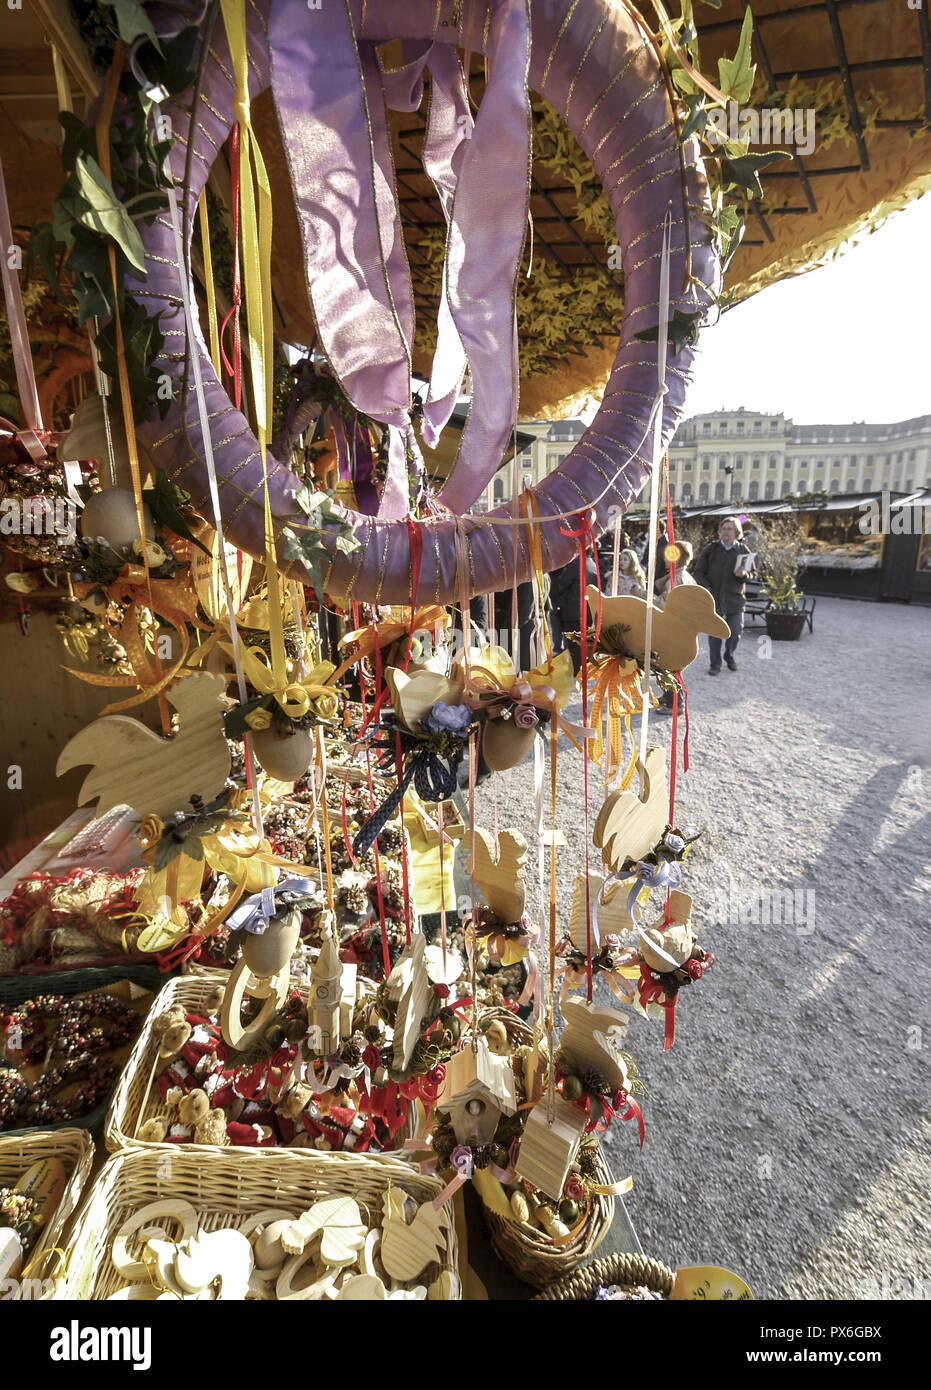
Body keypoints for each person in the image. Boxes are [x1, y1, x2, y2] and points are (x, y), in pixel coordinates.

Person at [692, 516, 752, 675]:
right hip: (714, 599)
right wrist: (707, 587)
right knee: (715, 635)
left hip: (735, 599)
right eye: (724, 529)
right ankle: (715, 664)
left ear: (737, 532)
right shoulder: (710, 549)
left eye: (729, 529)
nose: (726, 532)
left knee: (735, 631)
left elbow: (752, 575)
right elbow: (698, 572)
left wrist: (743, 575)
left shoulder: (743, 551)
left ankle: (729, 655)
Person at [653, 540, 695, 713]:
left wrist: (640, 593)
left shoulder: (676, 578)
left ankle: (674, 703)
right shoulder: (684, 575)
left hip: (675, 628)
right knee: (669, 664)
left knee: (670, 664)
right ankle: (669, 695)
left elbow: (666, 603)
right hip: (681, 627)